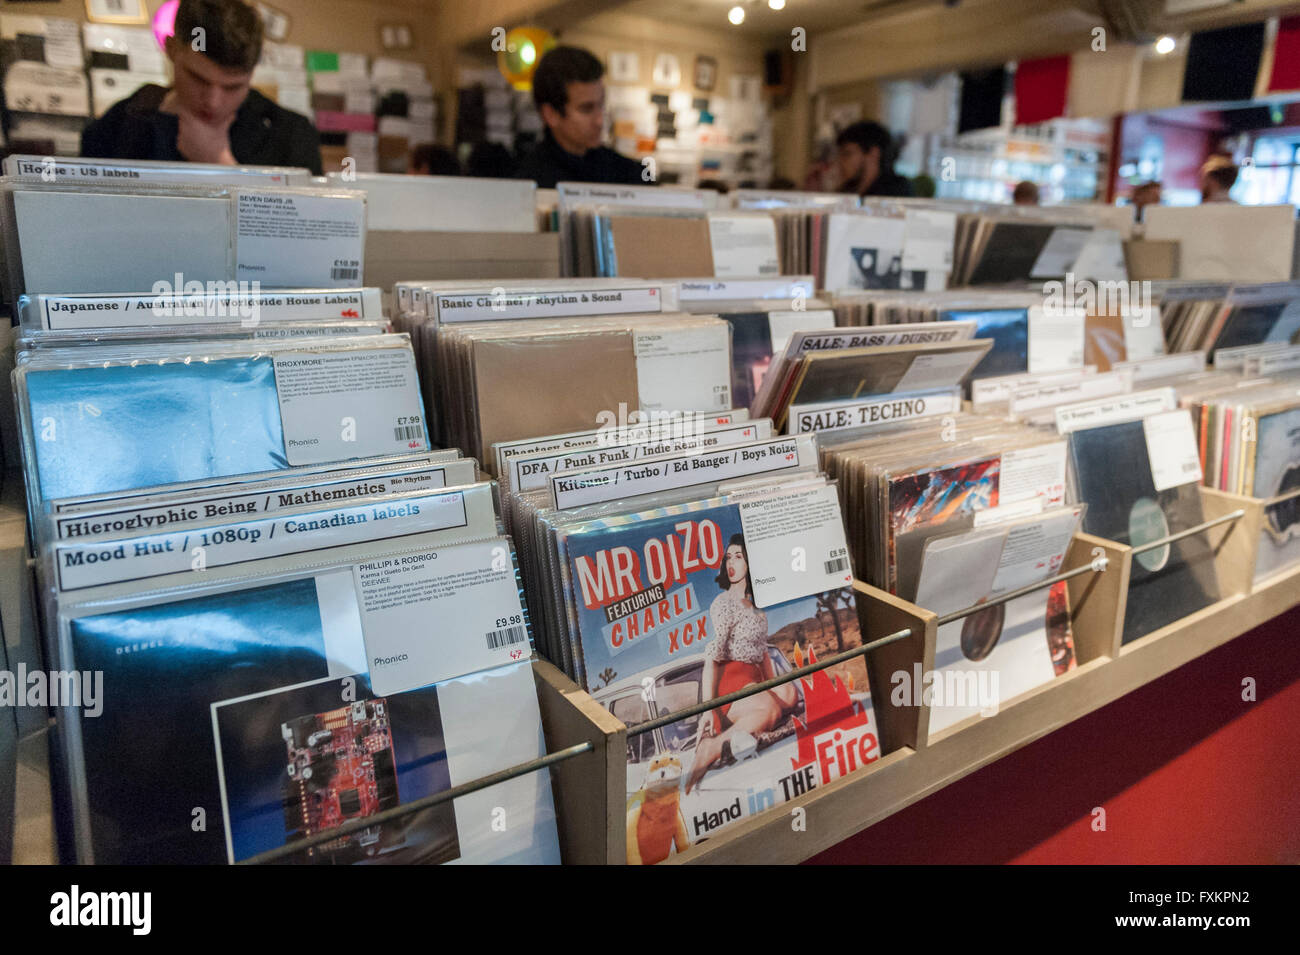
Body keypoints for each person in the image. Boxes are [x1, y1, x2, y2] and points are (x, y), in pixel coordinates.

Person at [81, 0, 322, 175]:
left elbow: (308, 236)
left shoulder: (291, 134)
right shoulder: (121, 121)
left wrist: (222, 166)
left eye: (233, 87)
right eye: (198, 79)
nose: (213, 101)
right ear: (172, 49)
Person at [685, 534, 798, 794]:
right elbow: (712, 657)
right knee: (770, 710)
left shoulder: (758, 608)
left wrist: (773, 685)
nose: (731, 563)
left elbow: (763, 654)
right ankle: (713, 747)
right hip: (730, 683)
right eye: (728, 557)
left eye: (739, 556)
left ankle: (757, 710)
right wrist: (709, 710)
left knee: (789, 693)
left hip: (753, 681)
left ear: (750, 562)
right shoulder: (723, 604)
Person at [514, 45, 647, 189]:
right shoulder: (527, 183)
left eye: (601, 105)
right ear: (550, 114)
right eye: (586, 109)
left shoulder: (628, 174)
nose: (600, 121)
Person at [835, 121, 914, 198]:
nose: (840, 161)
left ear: (873, 154)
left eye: (847, 154)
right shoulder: (849, 190)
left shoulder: (896, 195)